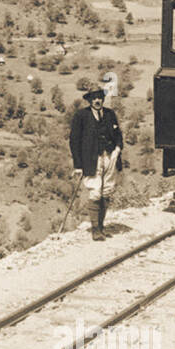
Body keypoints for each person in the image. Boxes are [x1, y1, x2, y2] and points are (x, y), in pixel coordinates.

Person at [69, 81, 123, 240]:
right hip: (91, 160)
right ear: (89, 100)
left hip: (110, 158)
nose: (97, 101)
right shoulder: (81, 116)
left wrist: (117, 150)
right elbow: (74, 141)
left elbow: (118, 135)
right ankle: (95, 229)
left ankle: (101, 226)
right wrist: (78, 165)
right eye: (94, 98)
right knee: (95, 192)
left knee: (107, 191)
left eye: (100, 97)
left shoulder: (110, 114)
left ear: (103, 99)